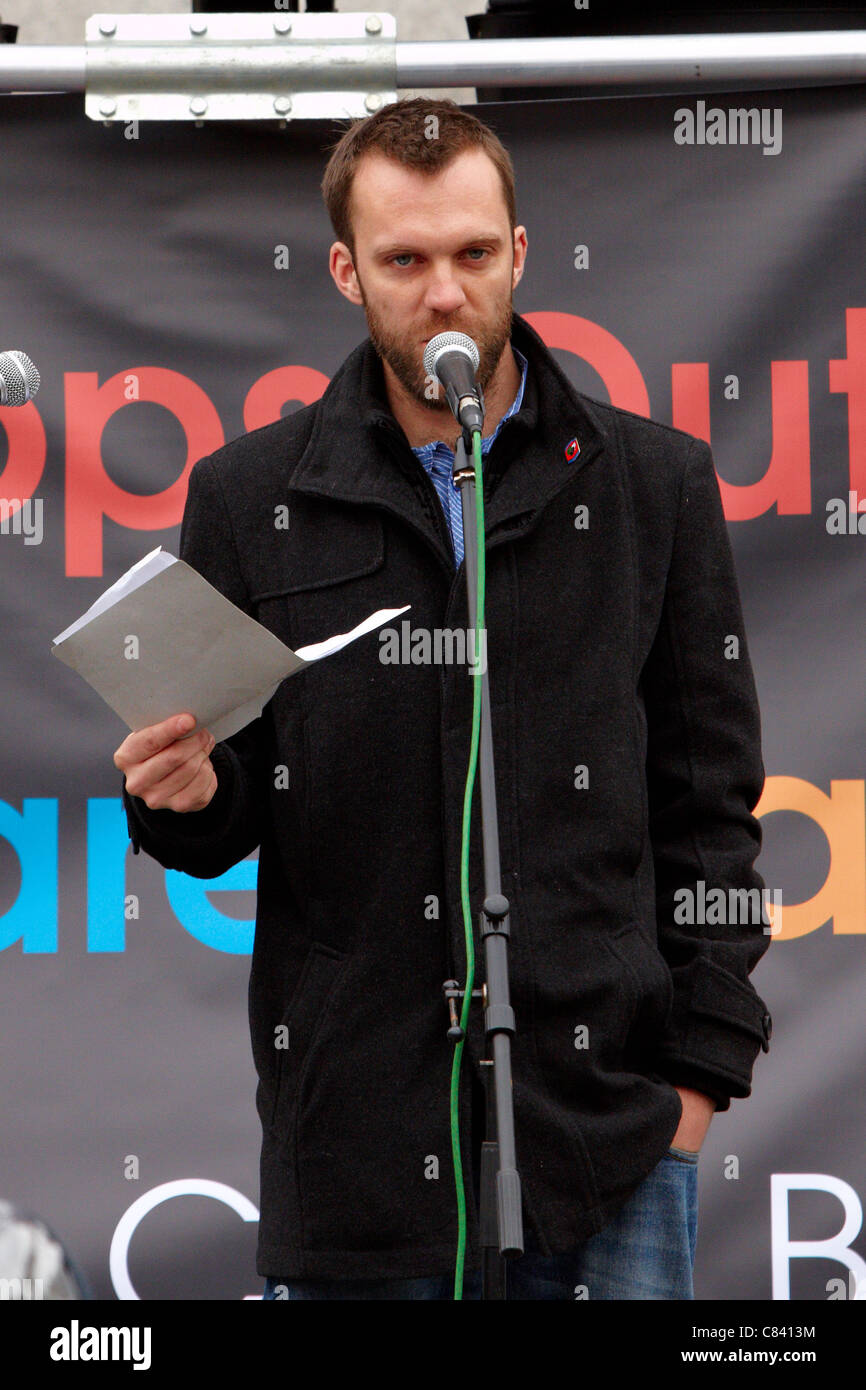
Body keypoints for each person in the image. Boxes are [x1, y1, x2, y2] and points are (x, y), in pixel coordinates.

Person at [114, 97, 773, 1300]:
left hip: (610, 1154)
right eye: (403, 261)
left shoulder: (652, 485)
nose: (443, 294)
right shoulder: (248, 494)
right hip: (356, 1164)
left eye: (472, 255)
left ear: (520, 254)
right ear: (344, 272)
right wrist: (185, 794)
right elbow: (217, 819)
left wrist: (689, 1096)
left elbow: (711, 809)